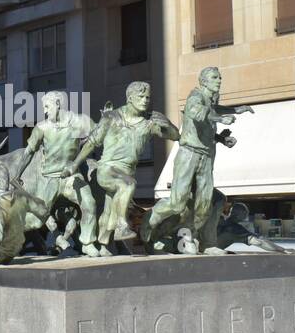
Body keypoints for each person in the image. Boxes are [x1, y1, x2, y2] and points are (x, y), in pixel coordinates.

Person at [143, 66, 251, 252]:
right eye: (214, 77)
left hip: (207, 155)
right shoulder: (195, 97)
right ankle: (151, 216)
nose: (219, 80)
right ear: (203, 82)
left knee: (208, 202)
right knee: (178, 202)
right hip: (189, 154)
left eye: (220, 77)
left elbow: (212, 109)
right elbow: (197, 113)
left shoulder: (211, 99)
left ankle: (202, 241)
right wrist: (220, 119)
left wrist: (228, 123)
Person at [65, 81, 179, 256]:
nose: (145, 100)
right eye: (141, 97)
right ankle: (121, 225)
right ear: (130, 98)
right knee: (128, 185)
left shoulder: (149, 121)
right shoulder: (112, 117)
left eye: (148, 97)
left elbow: (175, 136)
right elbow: (92, 143)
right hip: (107, 169)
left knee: (109, 210)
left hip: (126, 171)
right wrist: (75, 164)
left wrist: (168, 124)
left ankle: (103, 244)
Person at [14, 92, 98, 254]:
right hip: (49, 179)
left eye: (47, 106)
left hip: (72, 177)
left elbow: (98, 135)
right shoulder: (42, 127)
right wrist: (18, 174)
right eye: (44, 108)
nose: (45, 111)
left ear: (58, 104)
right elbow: (28, 152)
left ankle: (87, 243)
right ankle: (10, 239)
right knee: (37, 220)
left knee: (89, 203)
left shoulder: (80, 121)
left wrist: (82, 152)